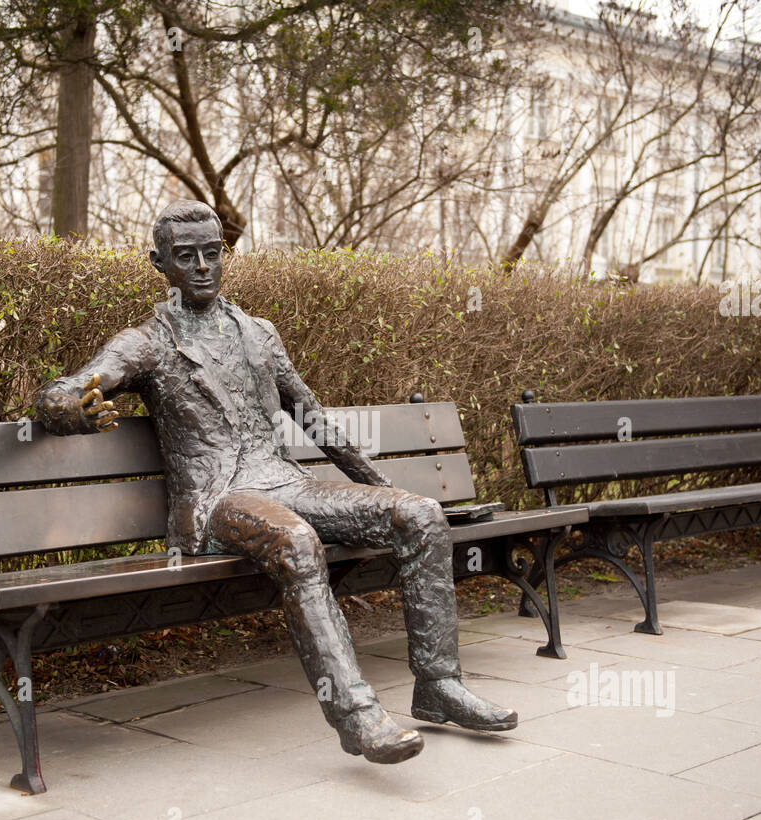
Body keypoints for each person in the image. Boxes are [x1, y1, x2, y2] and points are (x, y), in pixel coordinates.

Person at [34, 199, 516, 763]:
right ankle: (357, 715)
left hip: (285, 483)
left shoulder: (260, 334)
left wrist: (386, 490)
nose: (201, 267)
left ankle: (438, 686)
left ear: (224, 254)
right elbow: (59, 393)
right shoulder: (148, 343)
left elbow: (315, 420)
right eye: (185, 257)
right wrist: (77, 411)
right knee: (296, 541)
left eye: (212, 254)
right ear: (159, 262)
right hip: (220, 500)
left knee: (421, 515)